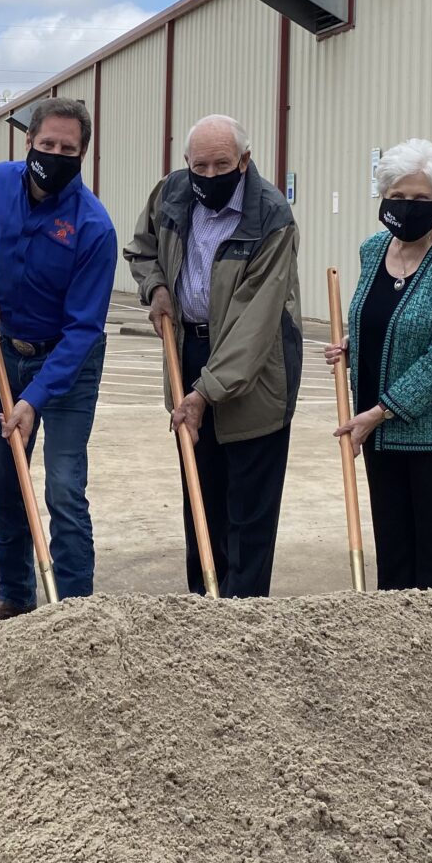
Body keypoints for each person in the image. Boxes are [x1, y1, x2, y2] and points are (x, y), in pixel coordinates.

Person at [0, 96, 116, 626]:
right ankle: (15, 596)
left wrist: (33, 399)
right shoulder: (1, 181)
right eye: (47, 144)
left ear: (82, 154)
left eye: (68, 149)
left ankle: (75, 613)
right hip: (8, 349)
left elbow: (83, 329)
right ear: (29, 142)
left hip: (68, 364)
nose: (55, 155)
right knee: (5, 482)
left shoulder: (93, 227)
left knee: (63, 487)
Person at [125, 115, 302, 598]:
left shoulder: (271, 215)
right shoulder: (171, 194)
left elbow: (254, 324)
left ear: (244, 161)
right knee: (201, 499)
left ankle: (243, 617)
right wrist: (156, 287)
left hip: (256, 370)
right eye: (199, 165)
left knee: (248, 511)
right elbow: (142, 249)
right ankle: (203, 610)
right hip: (189, 349)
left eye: (221, 165)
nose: (209, 175)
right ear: (187, 162)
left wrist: (204, 392)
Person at [325, 139, 432, 596]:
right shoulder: (374, 249)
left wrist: (378, 413)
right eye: (397, 196)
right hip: (383, 433)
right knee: (394, 564)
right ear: (382, 195)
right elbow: (382, 317)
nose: (407, 206)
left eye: (420, 198)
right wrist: (353, 343)